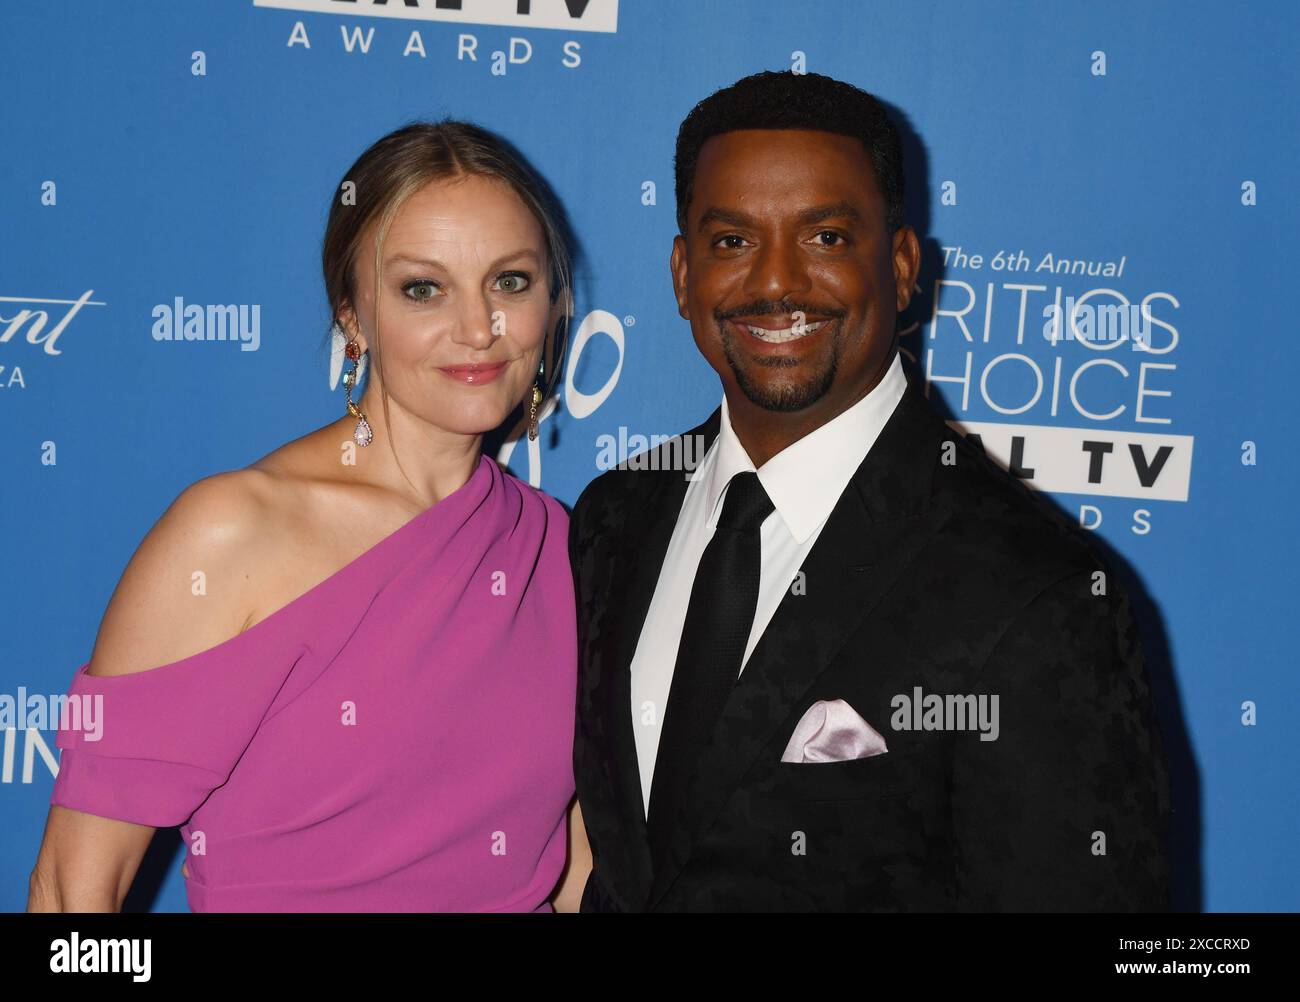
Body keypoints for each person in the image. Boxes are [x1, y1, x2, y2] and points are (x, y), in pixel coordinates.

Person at [569, 70, 1171, 911]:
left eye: (825, 238)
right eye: (733, 241)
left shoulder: (1036, 591)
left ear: (901, 264)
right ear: (681, 273)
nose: (776, 283)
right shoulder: (613, 518)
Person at [29, 120, 593, 912]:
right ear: (354, 318)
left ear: (552, 306)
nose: (479, 328)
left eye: (510, 281)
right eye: (422, 288)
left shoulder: (558, 549)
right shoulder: (230, 531)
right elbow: (70, 897)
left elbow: (568, 872)